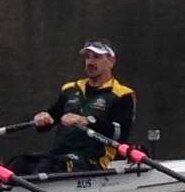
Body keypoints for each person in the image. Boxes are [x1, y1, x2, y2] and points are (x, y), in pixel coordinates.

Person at [21, 39, 137, 175]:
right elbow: (48, 122)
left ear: (111, 61)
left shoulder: (122, 95)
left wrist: (87, 121)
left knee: (48, 166)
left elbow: (120, 134)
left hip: (93, 160)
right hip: (59, 156)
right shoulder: (70, 89)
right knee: (20, 163)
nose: (90, 62)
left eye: (97, 57)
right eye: (87, 57)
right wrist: (41, 119)